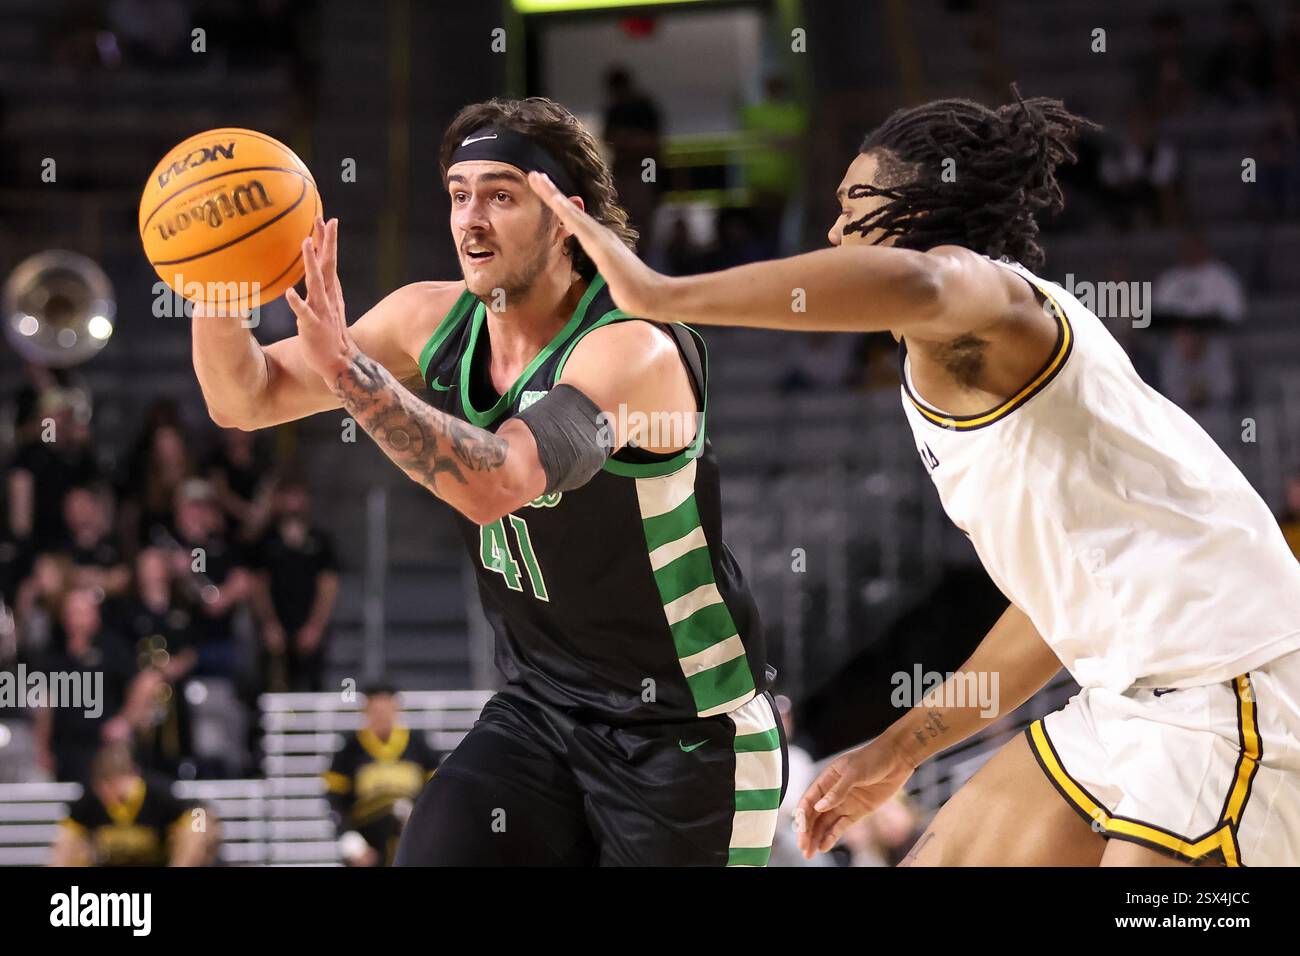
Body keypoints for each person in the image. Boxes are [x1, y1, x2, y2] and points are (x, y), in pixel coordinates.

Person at [530, 89, 1300, 867]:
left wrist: (663, 294)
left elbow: (927, 287)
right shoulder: (950, 362)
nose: (833, 231)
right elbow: (1055, 611)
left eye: (854, 202)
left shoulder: (989, 301)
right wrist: (899, 749)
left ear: (924, 208)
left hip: (1232, 684)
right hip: (1125, 700)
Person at [189, 96, 785, 866]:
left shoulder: (634, 350)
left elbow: (501, 481)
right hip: (539, 710)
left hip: (685, 734)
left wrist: (347, 370)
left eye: (502, 196)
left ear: (566, 217)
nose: (471, 218)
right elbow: (247, 399)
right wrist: (214, 281)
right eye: (459, 194)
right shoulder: (426, 318)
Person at [323, 682, 440, 866]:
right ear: (365, 710)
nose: (382, 715)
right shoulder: (349, 749)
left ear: (396, 708)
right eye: (375, 710)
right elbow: (334, 802)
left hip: (412, 837)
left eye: (386, 708)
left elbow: (438, 794)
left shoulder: (419, 745)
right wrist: (351, 841)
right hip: (367, 841)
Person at [50, 742, 215, 866]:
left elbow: (198, 812)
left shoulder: (158, 793)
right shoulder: (90, 801)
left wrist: (192, 832)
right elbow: (65, 839)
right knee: (67, 839)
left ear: (134, 775)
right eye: (107, 787)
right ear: (98, 786)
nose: (114, 795)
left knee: (197, 828)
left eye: (119, 785)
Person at [252, 477, 339, 692]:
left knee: (312, 687)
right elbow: (258, 584)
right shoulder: (266, 540)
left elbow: (328, 585)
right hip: (276, 626)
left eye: (297, 496)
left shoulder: (320, 541)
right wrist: (268, 622)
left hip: (310, 625)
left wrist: (316, 626)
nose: (293, 503)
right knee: (272, 689)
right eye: (287, 496)